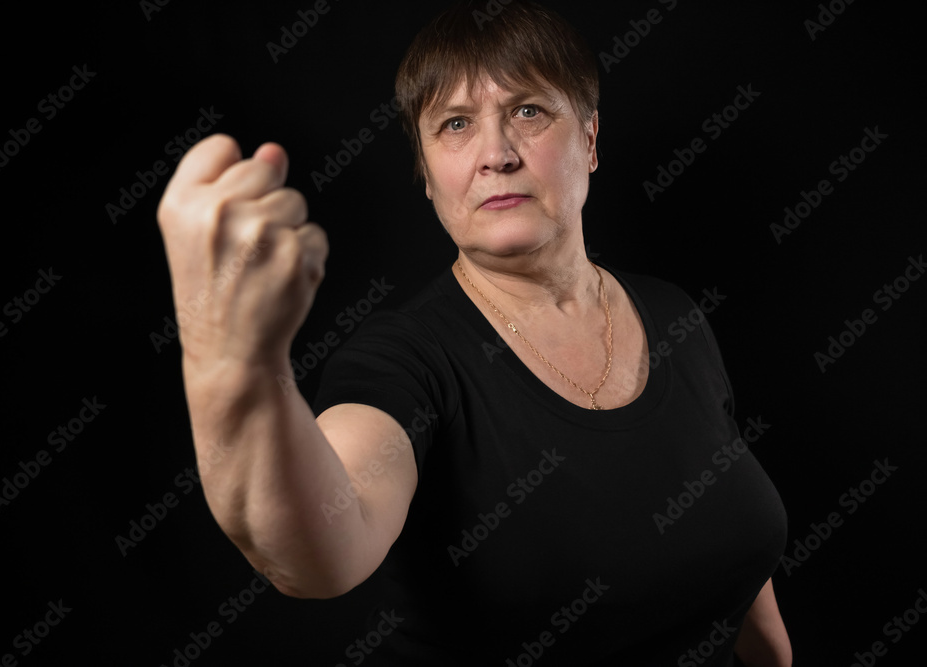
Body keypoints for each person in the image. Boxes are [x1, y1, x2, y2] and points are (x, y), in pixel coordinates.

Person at [155, 1, 791, 664]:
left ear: (591, 139)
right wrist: (233, 362)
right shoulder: (404, 360)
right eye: (455, 124)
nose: (496, 155)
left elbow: (739, 544)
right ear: (427, 175)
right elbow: (316, 555)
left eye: (529, 111)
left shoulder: (673, 314)